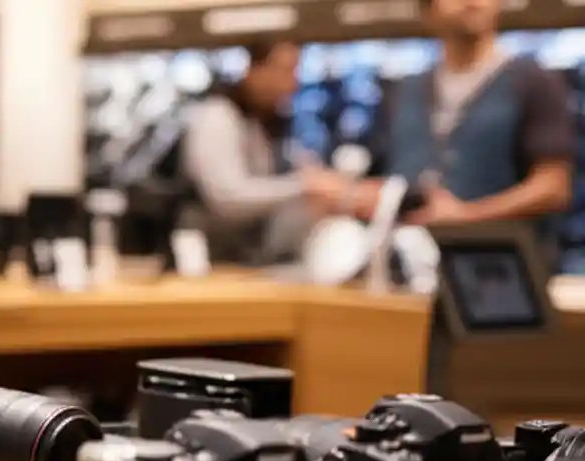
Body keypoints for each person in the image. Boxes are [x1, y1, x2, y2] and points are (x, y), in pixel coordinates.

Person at [377, 0, 575, 234]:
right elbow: (379, 179)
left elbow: (553, 187)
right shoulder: (403, 92)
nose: (472, 2)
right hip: (409, 253)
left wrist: (467, 215)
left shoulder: (533, 80)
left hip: (499, 257)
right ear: (427, 10)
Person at [180, 40, 351, 264]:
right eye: (285, 71)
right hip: (207, 263)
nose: (293, 84)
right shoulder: (218, 116)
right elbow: (227, 198)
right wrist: (304, 185)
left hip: (246, 259)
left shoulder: (259, 121)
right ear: (254, 70)